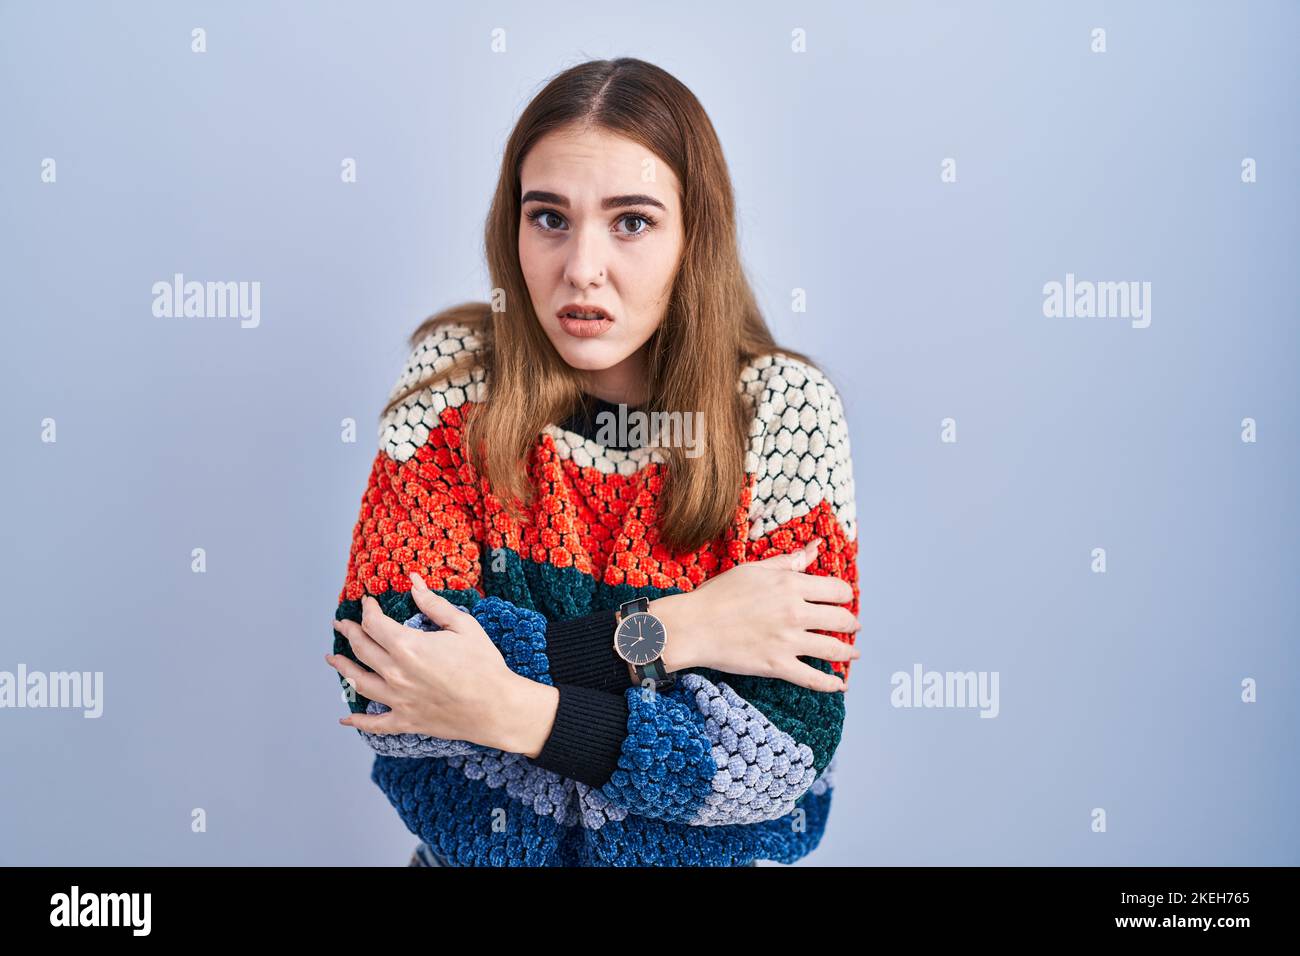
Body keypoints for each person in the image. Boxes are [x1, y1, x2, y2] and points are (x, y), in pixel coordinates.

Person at [325, 57, 860, 867]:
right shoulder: (455, 381)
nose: (581, 267)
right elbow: (379, 664)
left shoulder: (784, 415)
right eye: (549, 218)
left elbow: (780, 753)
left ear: (694, 237)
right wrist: (675, 631)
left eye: (632, 222)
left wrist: (505, 709)